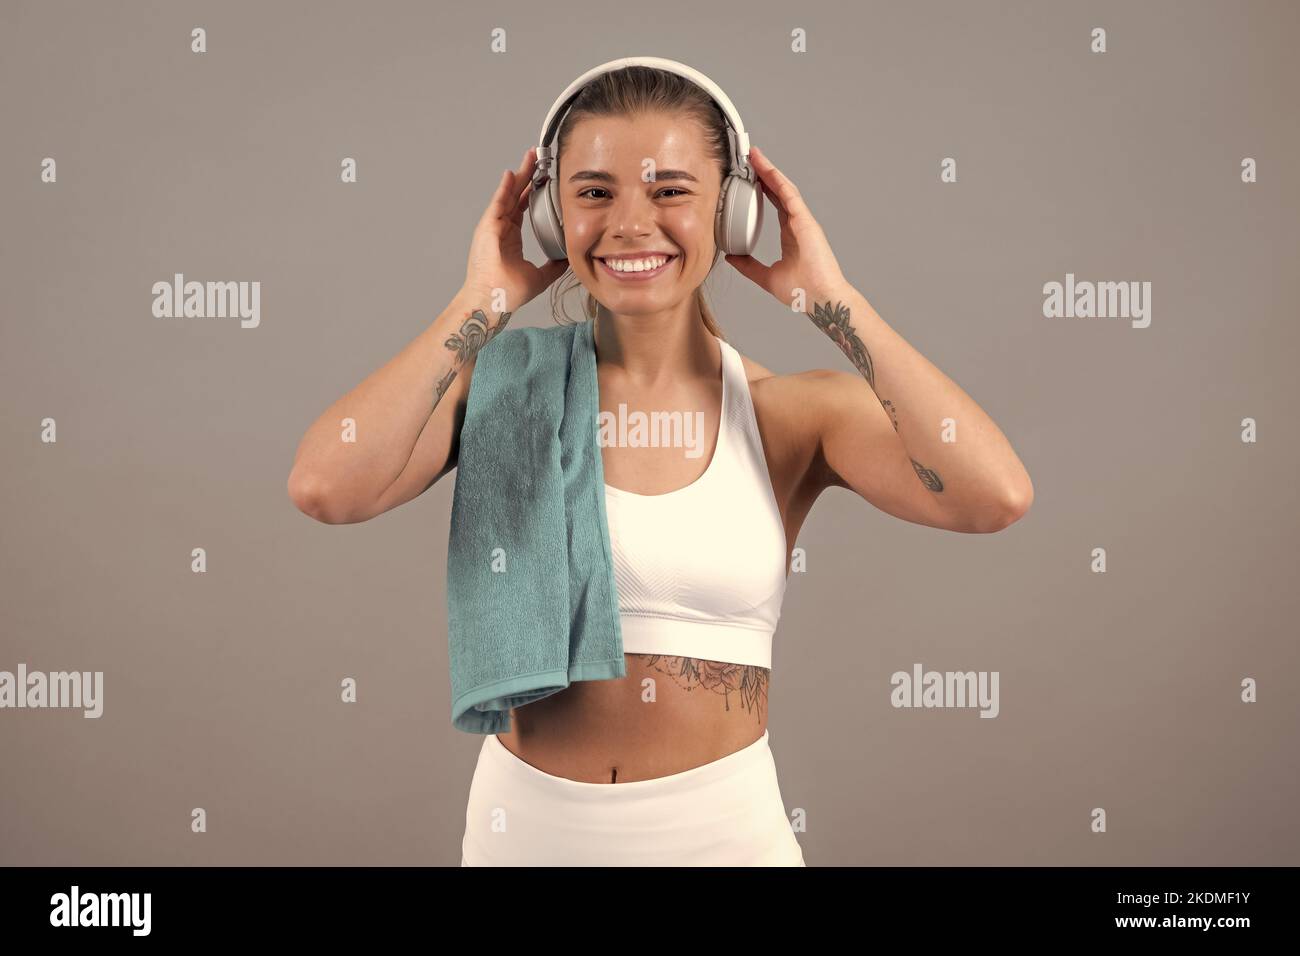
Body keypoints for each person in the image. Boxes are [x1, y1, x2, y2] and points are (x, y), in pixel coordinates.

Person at [287, 64, 1033, 866]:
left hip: (724, 839)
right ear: (549, 215)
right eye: (595, 192)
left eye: (671, 190)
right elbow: (328, 486)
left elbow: (992, 495)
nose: (631, 223)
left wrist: (828, 297)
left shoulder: (790, 414)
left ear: (734, 210)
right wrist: (480, 304)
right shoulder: (494, 389)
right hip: (524, 838)